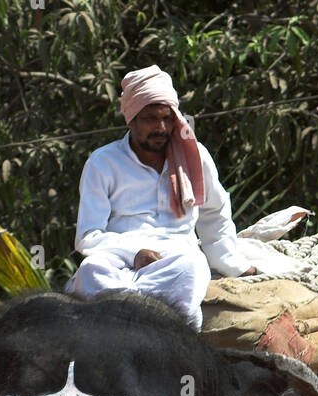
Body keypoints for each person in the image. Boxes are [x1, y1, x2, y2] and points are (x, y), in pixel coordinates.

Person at [67, 65, 256, 330]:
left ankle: (165, 336)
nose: (161, 127)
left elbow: (214, 212)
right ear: (131, 119)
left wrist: (232, 264)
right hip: (119, 260)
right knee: (91, 271)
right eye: (150, 119)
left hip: (174, 259)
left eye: (167, 118)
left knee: (191, 266)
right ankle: (129, 318)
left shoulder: (195, 156)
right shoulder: (103, 162)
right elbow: (88, 237)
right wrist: (135, 254)